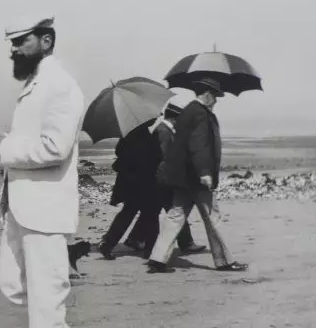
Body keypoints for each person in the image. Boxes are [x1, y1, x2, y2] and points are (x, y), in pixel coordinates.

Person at [0, 16, 90, 328]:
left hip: (44, 209)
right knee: (12, 284)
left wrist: (4, 148)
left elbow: (54, 149)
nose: (12, 49)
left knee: (47, 297)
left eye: (20, 41)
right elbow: (33, 140)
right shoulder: (36, 86)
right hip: (22, 205)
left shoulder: (61, 86)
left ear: (45, 41)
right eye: (11, 42)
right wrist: (2, 138)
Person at [147, 77, 248, 273]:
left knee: (175, 216)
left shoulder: (187, 112)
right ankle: (224, 261)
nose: (217, 100)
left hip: (183, 177)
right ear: (208, 95)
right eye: (216, 96)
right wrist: (204, 172)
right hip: (196, 178)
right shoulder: (201, 114)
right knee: (212, 217)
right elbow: (198, 145)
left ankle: (157, 259)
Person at [126, 103, 204, 257]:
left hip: (159, 179)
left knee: (152, 211)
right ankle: (186, 243)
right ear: (174, 118)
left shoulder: (163, 130)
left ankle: (134, 238)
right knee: (176, 210)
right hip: (163, 180)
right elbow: (165, 157)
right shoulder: (164, 131)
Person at [97, 119, 162, 260]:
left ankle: (107, 243)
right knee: (151, 215)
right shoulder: (149, 135)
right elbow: (157, 156)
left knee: (127, 213)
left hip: (129, 182)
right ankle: (150, 251)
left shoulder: (128, 134)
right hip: (146, 182)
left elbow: (119, 151)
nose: (157, 119)